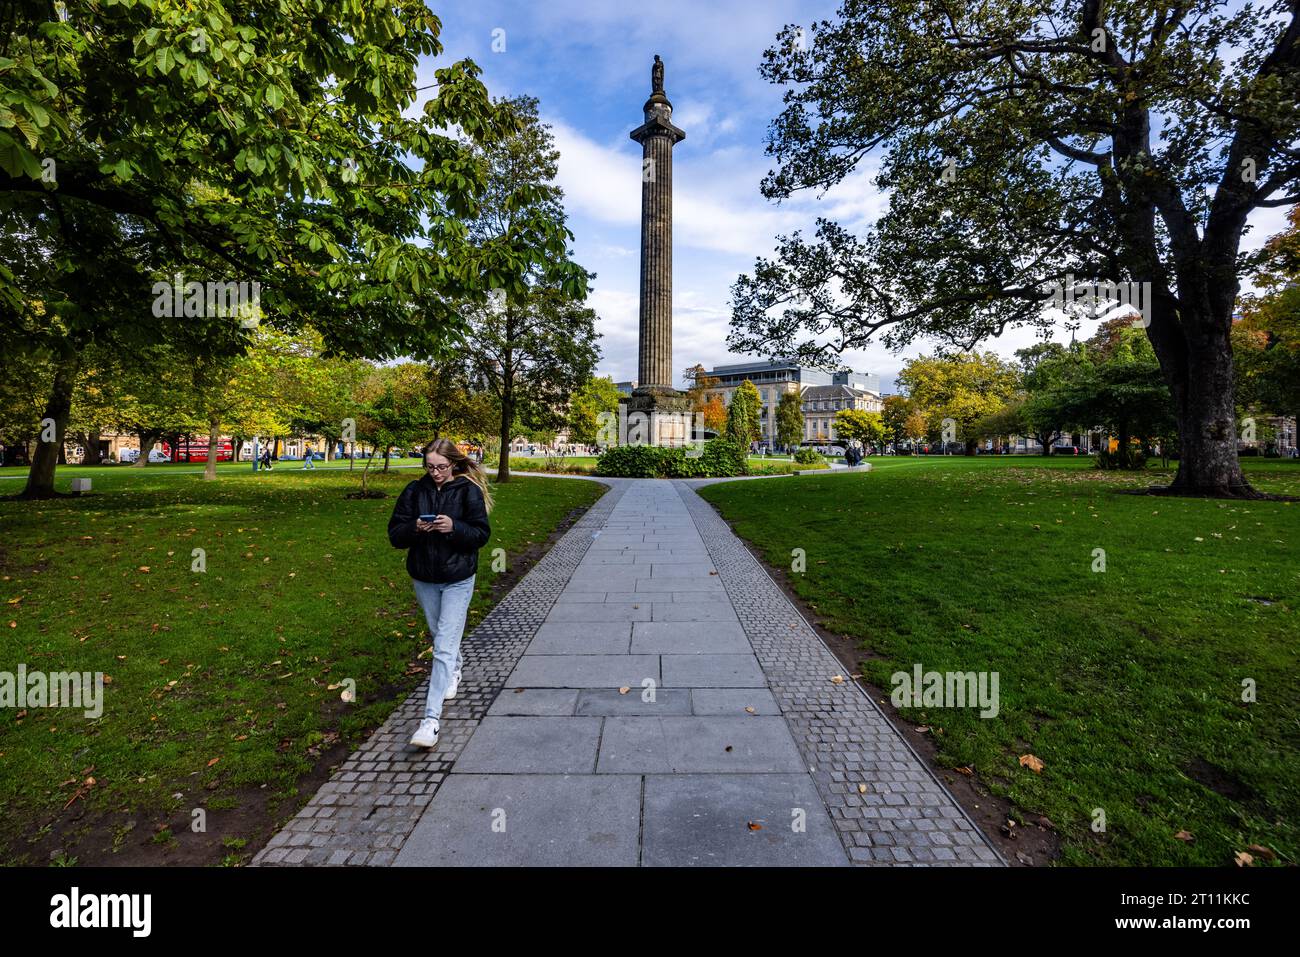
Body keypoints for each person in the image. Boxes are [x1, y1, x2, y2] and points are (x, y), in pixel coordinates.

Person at [388, 438, 492, 749]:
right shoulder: (413, 491)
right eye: (430, 467)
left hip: (458, 577)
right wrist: (415, 528)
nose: (435, 473)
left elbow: (481, 535)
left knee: (442, 647)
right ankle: (456, 668)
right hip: (424, 577)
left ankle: (430, 721)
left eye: (442, 467)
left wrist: (454, 527)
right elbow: (395, 535)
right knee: (440, 636)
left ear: (454, 464)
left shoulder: (467, 491)